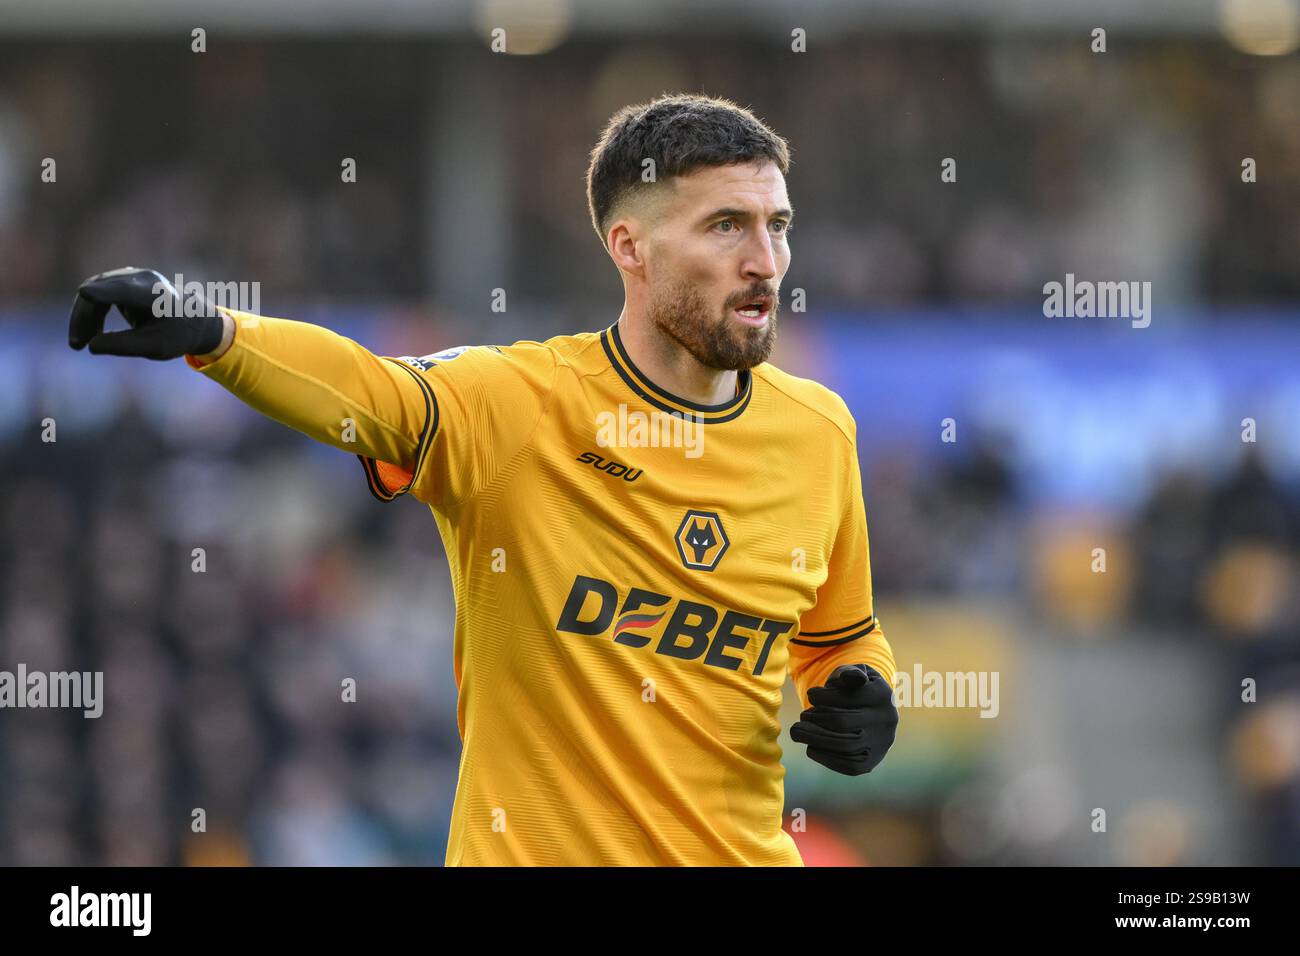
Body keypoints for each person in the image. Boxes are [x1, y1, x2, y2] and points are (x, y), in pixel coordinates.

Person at [68, 93, 897, 866]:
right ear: (631, 247)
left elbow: (838, 638)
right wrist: (215, 331)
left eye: (777, 225)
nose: (766, 260)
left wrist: (864, 692)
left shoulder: (818, 431)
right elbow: (367, 390)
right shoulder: (518, 404)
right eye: (726, 226)